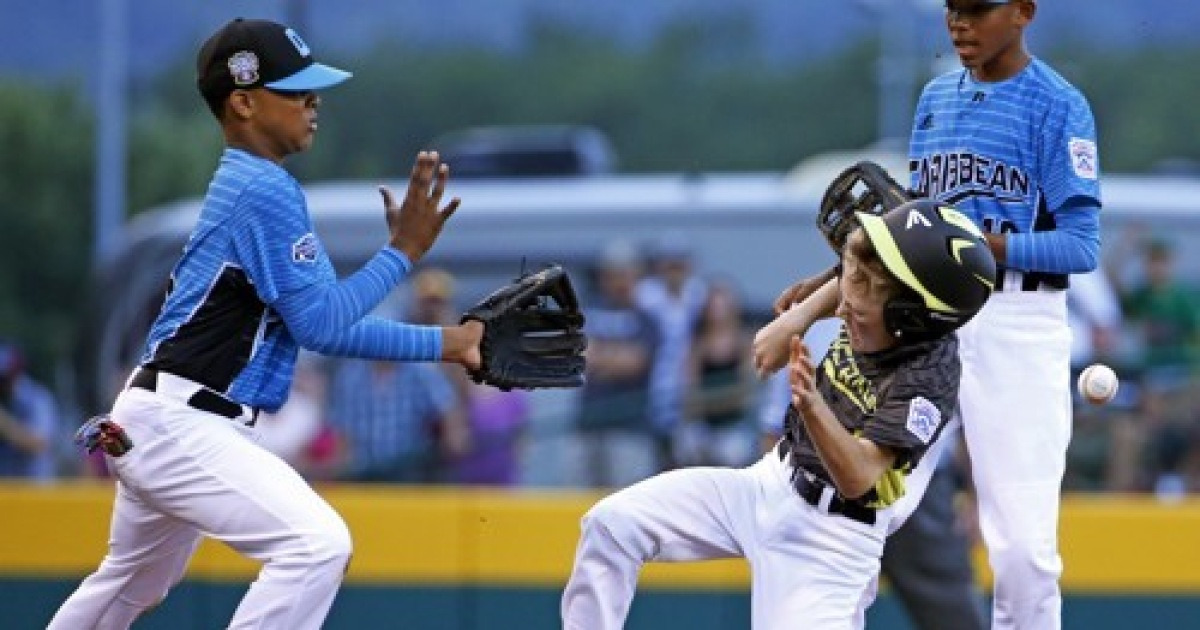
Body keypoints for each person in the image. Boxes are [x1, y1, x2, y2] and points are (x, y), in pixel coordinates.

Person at [48, 18, 481, 630]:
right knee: (316, 544)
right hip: (183, 421)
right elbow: (323, 326)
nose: (313, 101)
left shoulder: (255, 186)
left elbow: (326, 320)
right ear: (244, 103)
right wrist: (403, 256)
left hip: (163, 416)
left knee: (128, 586)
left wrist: (449, 341)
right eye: (295, 90)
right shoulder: (263, 191)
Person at [757, 2, 1102, 627]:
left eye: (978, 9)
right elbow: (911, 237)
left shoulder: (1058, 104)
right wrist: (833, 280)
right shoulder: (936, 98)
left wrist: (970, 247)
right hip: (923, 314)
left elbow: (1081, 246)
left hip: (1019, 319)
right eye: (953, 9)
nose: (959, 23)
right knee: (855, 509)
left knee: (1023, 550)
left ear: (1023, 11)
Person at [562, 200, 996, 629]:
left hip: (832, 539)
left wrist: (812, 405)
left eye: (865, 292)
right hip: (767, 483)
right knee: (612, 525)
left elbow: (860, 478)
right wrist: (796, 319)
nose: (845, 304)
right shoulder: (895, 303)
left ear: (910, 315)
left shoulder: (928, 376)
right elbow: (859, 270)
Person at [0, 341, 59, 481]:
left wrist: (4, 423)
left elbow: (40, 444)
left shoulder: (38, 399)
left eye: (4, 379)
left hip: (33, 487)